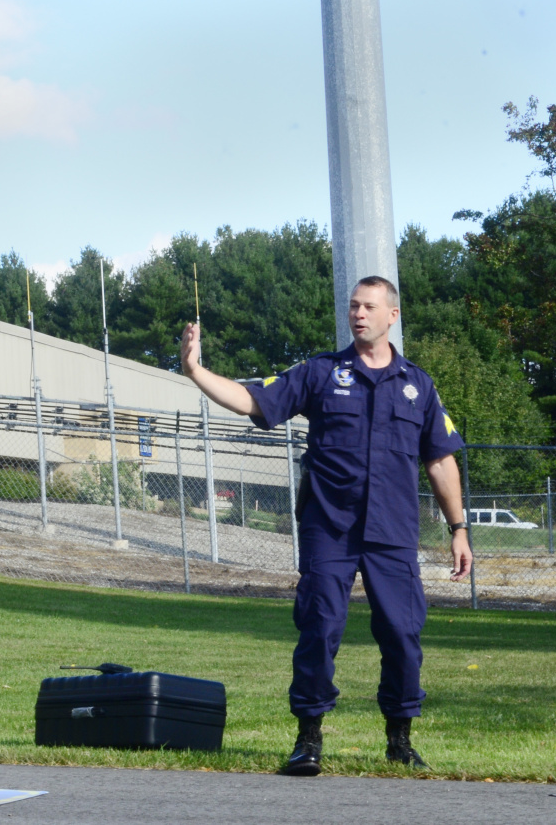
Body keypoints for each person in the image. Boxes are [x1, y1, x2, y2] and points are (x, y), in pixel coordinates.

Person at [180, 276, 471, 776]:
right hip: (328, 529)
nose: (358, 314)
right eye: (354, 306)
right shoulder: (320, 373)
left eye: (369, 307)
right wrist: (194, 370)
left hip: (392, 534)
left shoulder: (418, 385)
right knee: (319, 629)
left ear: (391, 316)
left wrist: (459, 528)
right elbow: (252, 399)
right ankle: (308, 738)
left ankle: (400, 739)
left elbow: (441, 461)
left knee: (402, 633)